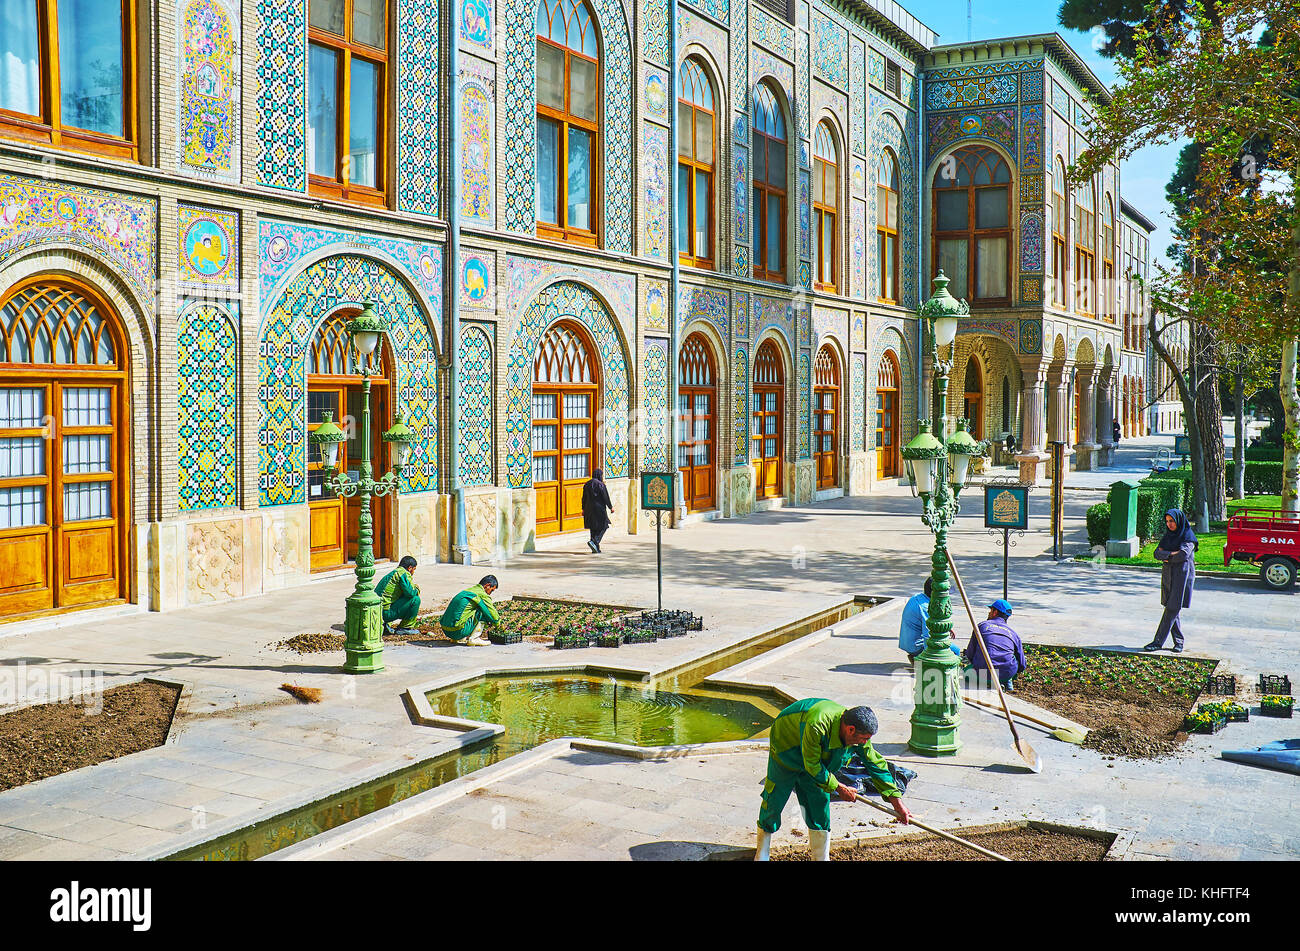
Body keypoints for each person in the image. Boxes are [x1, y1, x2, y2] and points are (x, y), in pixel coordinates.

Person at [755, 699, 911, 861]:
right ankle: (762, 853)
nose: (865, 742)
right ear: (851, 730)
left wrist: (897, 803)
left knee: (819, 800)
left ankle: (821, 857)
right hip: (787, 745)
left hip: (814, 752)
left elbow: (875, 763)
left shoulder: (858, 732)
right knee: (775, 796)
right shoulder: (817, 725)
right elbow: (813, 766)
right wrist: (839, 787)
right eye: (864, 738)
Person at [1142, 509, 1196, 653]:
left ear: (1178, 520)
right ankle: (1179, 642)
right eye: (1167, 521)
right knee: (1171, 607)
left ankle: (1157, 642)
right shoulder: (1168, 536)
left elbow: (1183, 555)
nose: (1169, 524)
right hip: (1168, 575)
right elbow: (1156, 553)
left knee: (1172, 607)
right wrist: (1172, 553)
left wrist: (1167, 555)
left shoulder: (1187, 536)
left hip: (1182, 576)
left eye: (1171, 521)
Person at [965, 598, 1026, 692]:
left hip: (983, 673)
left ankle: (989, 682)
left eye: (990, 610)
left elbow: (970, 654)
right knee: (1012, 663)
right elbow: (1022, 664)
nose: (989, 613)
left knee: (966, 673)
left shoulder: (982, 626)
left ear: (995, 612)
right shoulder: (1013, 634)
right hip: (1006, 673)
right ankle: (1005, 683)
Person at [898, 578, 960, 662]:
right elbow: (929, 636)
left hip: (906, 643)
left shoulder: (918, 597)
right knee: (956, 651)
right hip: (916, 645)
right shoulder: (926, 608)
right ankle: (922, 661)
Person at [438, 575, 501, 647]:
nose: (490, 593)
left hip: (446, 630)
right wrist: (498, 624)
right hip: (457, 631)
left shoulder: (468, 591)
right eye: (492, 590)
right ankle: (474, 639)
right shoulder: (481, 594)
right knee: (482, 609)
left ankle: (457, 639)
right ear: (487, 585)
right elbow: (493, 616)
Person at [376, 556, 421, 635]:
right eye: (414, 569)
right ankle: (405, 627)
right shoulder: (403, 573)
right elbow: (410, 593)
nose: (413, 572)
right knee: (415, 599)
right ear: (410, 568)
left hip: (377, 612)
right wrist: (417, 589)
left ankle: (386, 625)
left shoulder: (395, 572)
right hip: (385, 614)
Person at [582, 468, 615, 553]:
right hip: (599, 508)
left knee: (593, 527)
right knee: (604, 525)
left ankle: (596, 548)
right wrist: (611, 507)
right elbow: (605, 497)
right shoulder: (601, 485)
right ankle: (594, 541)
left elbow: (584, 498)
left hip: (588, 508)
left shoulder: (587, 484)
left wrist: (583, 509)